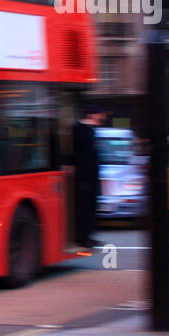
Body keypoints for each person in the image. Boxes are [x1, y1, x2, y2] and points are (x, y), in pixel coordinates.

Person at [70, 104, 102, 247]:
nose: (101, 117)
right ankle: (82, 237)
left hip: (90, 177)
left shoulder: (89, 131)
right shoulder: (80, 130)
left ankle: (87, 236)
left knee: (89, 208)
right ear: (91, 115)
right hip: (84, 177)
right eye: (98, 114)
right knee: (83, 209)